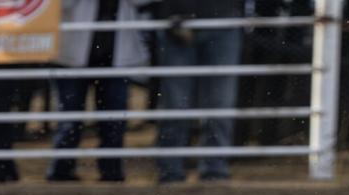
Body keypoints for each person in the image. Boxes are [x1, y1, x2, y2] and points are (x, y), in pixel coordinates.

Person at [146, 0, 245, 183]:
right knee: (176, 104)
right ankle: (172, 169)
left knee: (219, 103)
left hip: (222, 20)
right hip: (176, 22)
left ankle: (213, 168)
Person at [49, 0, 147, 182]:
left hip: (117, 58)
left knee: (114, 120)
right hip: (72, 57)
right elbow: (59, 5)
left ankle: (111, 172)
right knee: (69, 119)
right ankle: (61, 171)